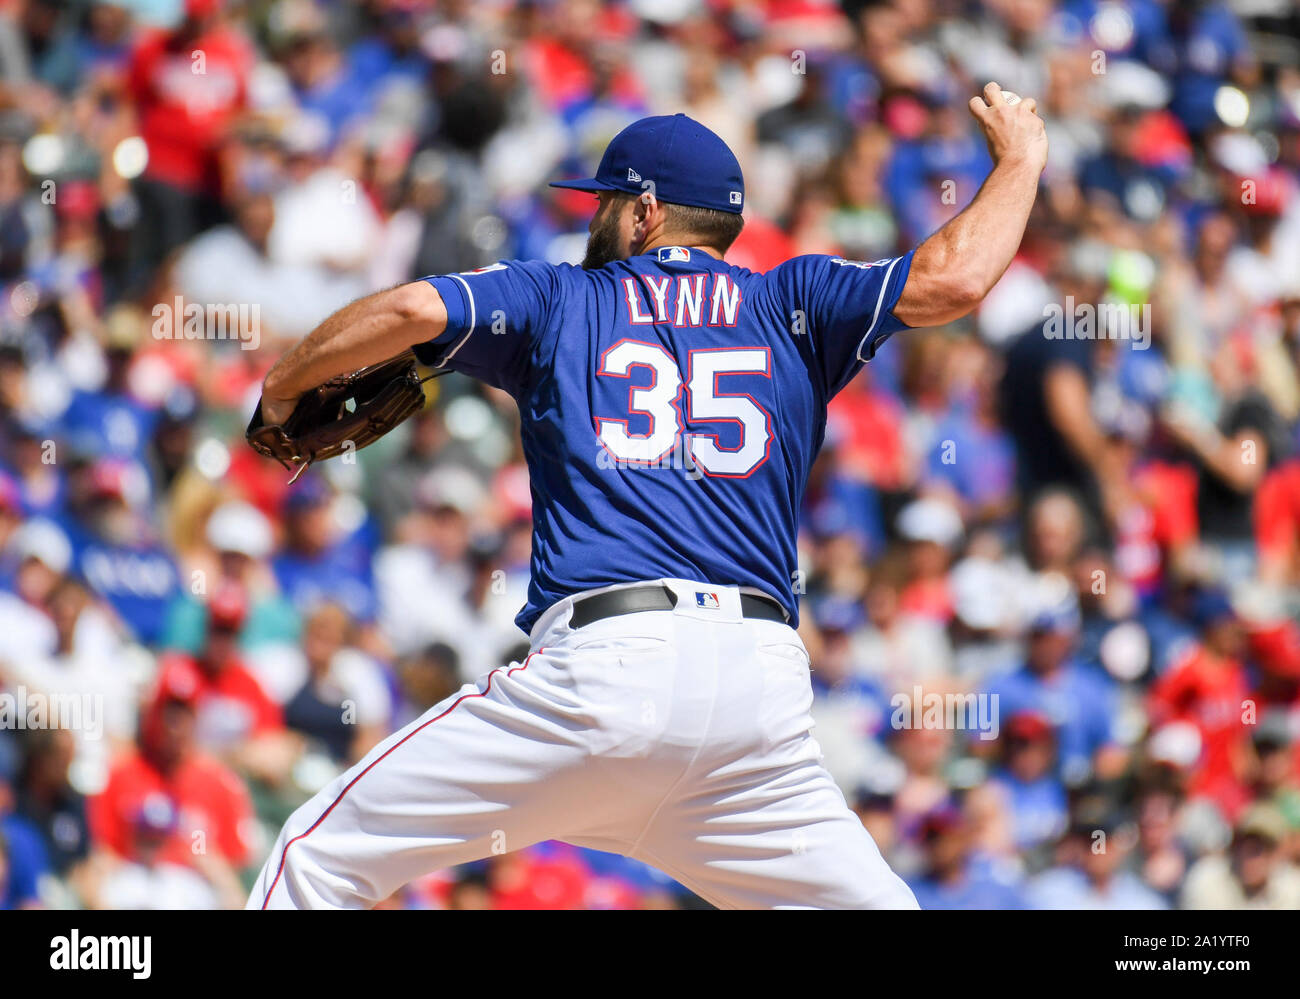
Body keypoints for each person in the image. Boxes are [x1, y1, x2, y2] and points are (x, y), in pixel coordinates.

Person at [247, 89, 1049, 910]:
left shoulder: (562, 298)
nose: (598, 218)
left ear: (647, 213)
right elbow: (958, 277)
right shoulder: (790, 303)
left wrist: (281, 385)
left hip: (606, 676)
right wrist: (1021, 160)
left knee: (318, 856)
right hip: (756, 708)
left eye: (607, 203)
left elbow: (415, 307)